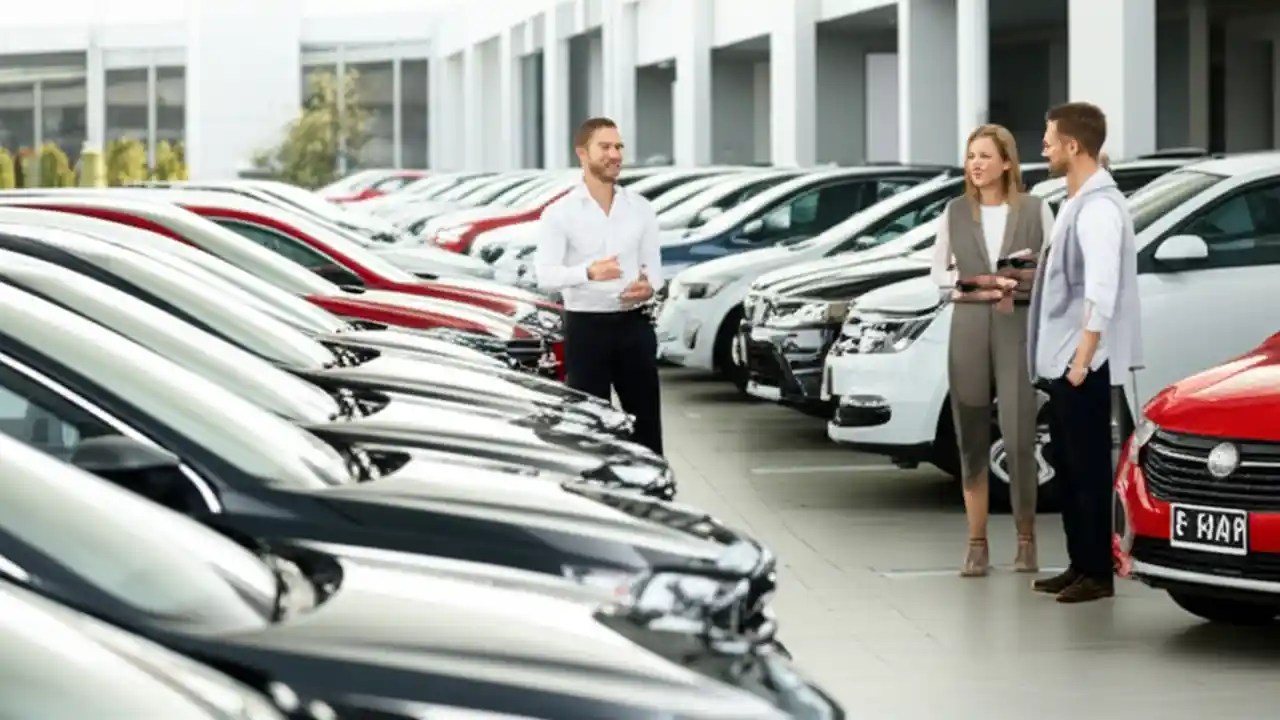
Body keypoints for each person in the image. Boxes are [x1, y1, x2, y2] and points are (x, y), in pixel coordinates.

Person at [1028, 102, 1142, 603]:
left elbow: (1102, 290)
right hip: (1066, 360)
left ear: (1074, 146)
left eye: (1050, 140)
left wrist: (1080, 361)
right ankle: (1081, 563)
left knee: (1088, 467)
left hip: (1081, 363)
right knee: (1070, 466)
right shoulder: (1079, 200)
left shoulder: (1098, 209)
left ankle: (1097, 572)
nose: (1044, 148)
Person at [932, 124, 1055, 577]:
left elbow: (1055, 268)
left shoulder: (1036, 210)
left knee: (1020, 433)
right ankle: (976, 542)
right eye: (971, 157)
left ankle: (1026, 539)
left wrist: (1024, 274)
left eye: (985, 155)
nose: (976, 164)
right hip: (968, 324)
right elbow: (937, 273)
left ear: (1006, 162)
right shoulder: (954, 211)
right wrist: (971, 284)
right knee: (971, 434)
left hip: (1015, 324)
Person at [533, 117, 665, 456]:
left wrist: (648, 287)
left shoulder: (641, 208)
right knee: (589, 430)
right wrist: (588, 273)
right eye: (605, 147)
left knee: (646, 428)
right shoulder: (558, 213)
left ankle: (653, 500)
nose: (615, 154)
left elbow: (655, 270)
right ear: (582, 153)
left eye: (618, 147)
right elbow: (545, 275)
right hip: (585, 328)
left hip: (634, 327)